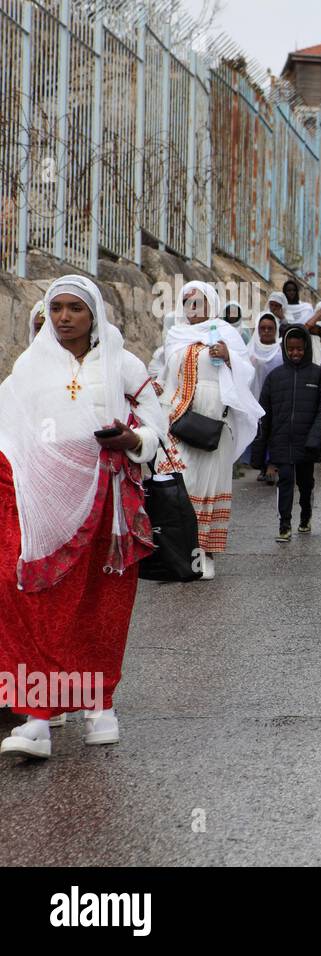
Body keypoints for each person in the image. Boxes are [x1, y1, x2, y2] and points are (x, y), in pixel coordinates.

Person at [0, 276, 169, 759]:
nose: (64, 318)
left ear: (94, 313)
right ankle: (37, 716)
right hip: (45, 506)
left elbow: (156, 424)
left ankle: (100, 706)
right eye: (57, 309)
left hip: (109, 505)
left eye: (75, 308)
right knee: (42, 601)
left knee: (102, 603)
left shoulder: (124, 364)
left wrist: (133, 441)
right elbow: (10, 433)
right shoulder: (29, 367)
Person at [157, 281, 263, 580]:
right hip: (179, 415)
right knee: (181, 483)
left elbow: (247, 373)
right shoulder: (175, 335)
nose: (192, 305)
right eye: (187, 299)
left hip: (215, 416)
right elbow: (168, 376)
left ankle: (206, 553)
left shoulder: (226, 333)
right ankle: (179, 553)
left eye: (198, 300)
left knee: (209, 483)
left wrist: (228, 356)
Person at [248, 326, 321, 541]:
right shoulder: (275, 377)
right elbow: (264, 415)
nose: (295, 353)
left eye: (299, 349)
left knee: (305, 482)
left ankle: (305, 515)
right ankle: (284, 524)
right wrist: (259, 453)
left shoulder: (318, 375)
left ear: (306, 348)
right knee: (285, 482)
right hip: (281, 441)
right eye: (291, 349)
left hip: (306, 442)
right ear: (285, 349)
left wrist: (315, 439)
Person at [248, 313, 283, 484]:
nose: (267, 331)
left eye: (270, 328)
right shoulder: (250, 349)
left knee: (274, 432)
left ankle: (273, 464)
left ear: (275, 330)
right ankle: (262, 466)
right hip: (255, 399)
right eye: (263, 328)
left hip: (277, 399)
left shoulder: (280, 349)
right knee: (260, 434)